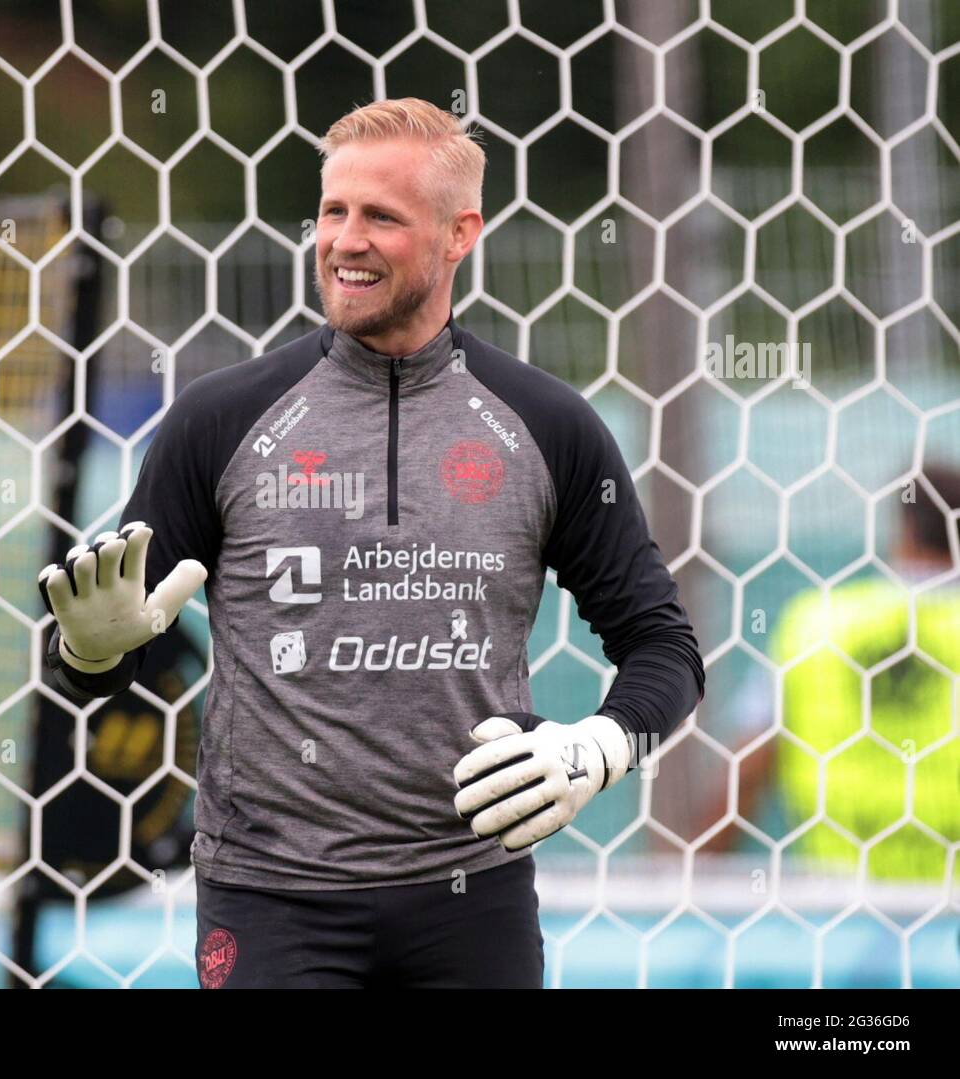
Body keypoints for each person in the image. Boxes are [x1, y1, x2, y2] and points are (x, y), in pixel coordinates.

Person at [38, 98, 704, 988]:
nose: (344, 241)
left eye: (381, 217)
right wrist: (90, 648)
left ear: (459, 232)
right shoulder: (220, 419)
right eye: (333, 212)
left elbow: (665, 645)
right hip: (270, 899)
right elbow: (101, 659)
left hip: (475, 895)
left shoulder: (549, 427)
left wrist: (598, 745)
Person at [709, 461, 960, 882]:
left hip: (840, 915)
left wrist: (685, 879)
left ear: (904, 530)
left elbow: (748, 771)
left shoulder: (814, 623)